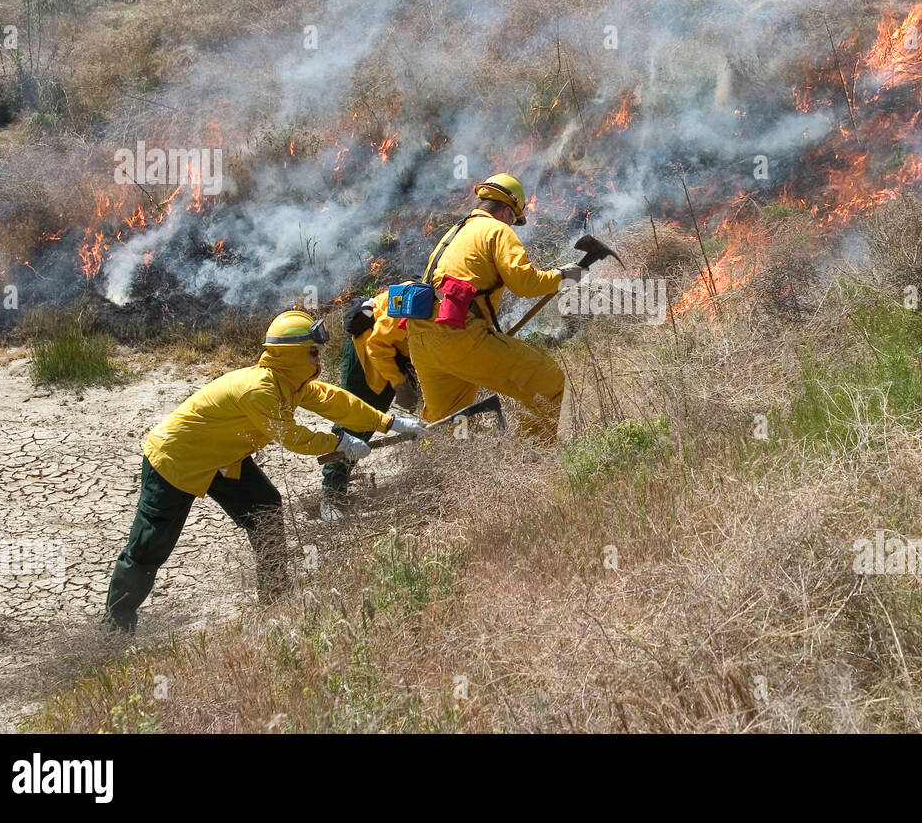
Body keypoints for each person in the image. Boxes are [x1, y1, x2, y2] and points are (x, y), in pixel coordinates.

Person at [104, 309, 426, 631]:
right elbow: (290, 436)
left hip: (223, 460)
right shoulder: (261, 390)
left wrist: (390, 422)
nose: (318, 359)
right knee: (151, 545)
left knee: (265, 509)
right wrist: (339, 442)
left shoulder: (291, 382)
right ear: (293, 355)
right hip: (177, 460)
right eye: (313, 352)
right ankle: (116, 626)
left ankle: (275, 597)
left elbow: (336, 402)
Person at [405, 173, 584, 443]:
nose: (512, 223)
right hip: (459, 338)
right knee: (551, 381)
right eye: (514, 218)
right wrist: (562, 277)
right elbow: (525, 283)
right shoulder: (498, 230)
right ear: (505, 211)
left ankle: (442, 475)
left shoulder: (454, 233)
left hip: (420, 340)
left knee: (448, 425)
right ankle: (535, 454)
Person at [320, 289, 421, 519]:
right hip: (368, 352)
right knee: (355, 420)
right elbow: (377, 345)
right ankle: (332, 492)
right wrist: (399, 383)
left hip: (395, 355)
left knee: (372, 419)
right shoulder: (414, 300)